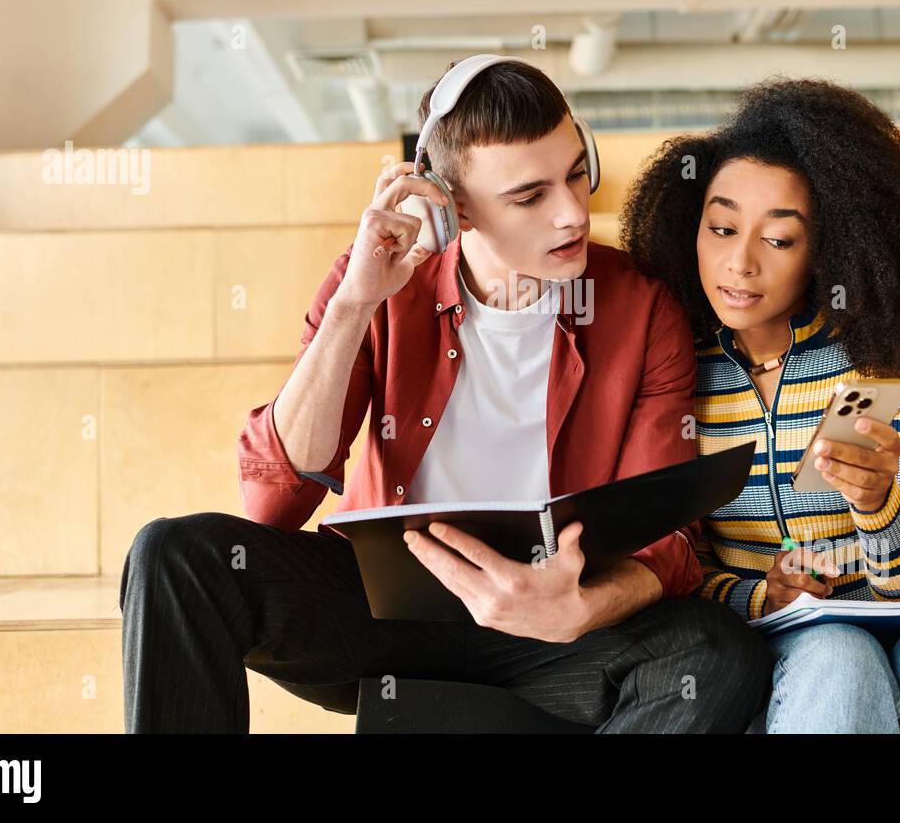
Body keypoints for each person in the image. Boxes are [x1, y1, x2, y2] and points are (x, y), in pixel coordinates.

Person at [119, 55, 771, 733]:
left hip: (555, 624)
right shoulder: (374, 286)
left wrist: (579, 608)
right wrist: (354, 307)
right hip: (387, 616)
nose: (572, 214)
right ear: (453, 204)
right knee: (175, 557)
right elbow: (273, 500)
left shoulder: (640, 304)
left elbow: (665, 536)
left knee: (715, 650)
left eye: (577, 172)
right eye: (529, 196)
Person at [619, 76, 900, 733]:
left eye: (779, 240)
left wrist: (877, 507)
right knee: (841, 662)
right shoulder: (675, 368)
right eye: (722, 228)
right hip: (786, 635)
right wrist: (767, 593)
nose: (740, 263)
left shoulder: (890, 356)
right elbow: (680, 568)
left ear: (828, 249)